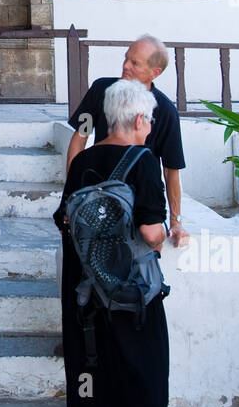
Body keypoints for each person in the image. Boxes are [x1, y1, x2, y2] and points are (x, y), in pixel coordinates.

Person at [54, 78, 169, 407]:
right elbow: (151, 232)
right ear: (139, 119)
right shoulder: (144, 162)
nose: (151, 128)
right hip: (132, 304)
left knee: (92, 398)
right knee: (143, 398)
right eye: (150, 121)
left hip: (84, 304)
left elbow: (65, 221)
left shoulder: (81, 160)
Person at [65, 35, 188, 248]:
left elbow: (171, 170)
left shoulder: (166, 112)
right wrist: (72, 194)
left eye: (135, 63)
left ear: (154, 72)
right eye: (126, 59)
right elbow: (80, 138)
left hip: (141, 201)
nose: (125, 66)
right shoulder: (100, 91)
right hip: (96, 193)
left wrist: (175, 221)